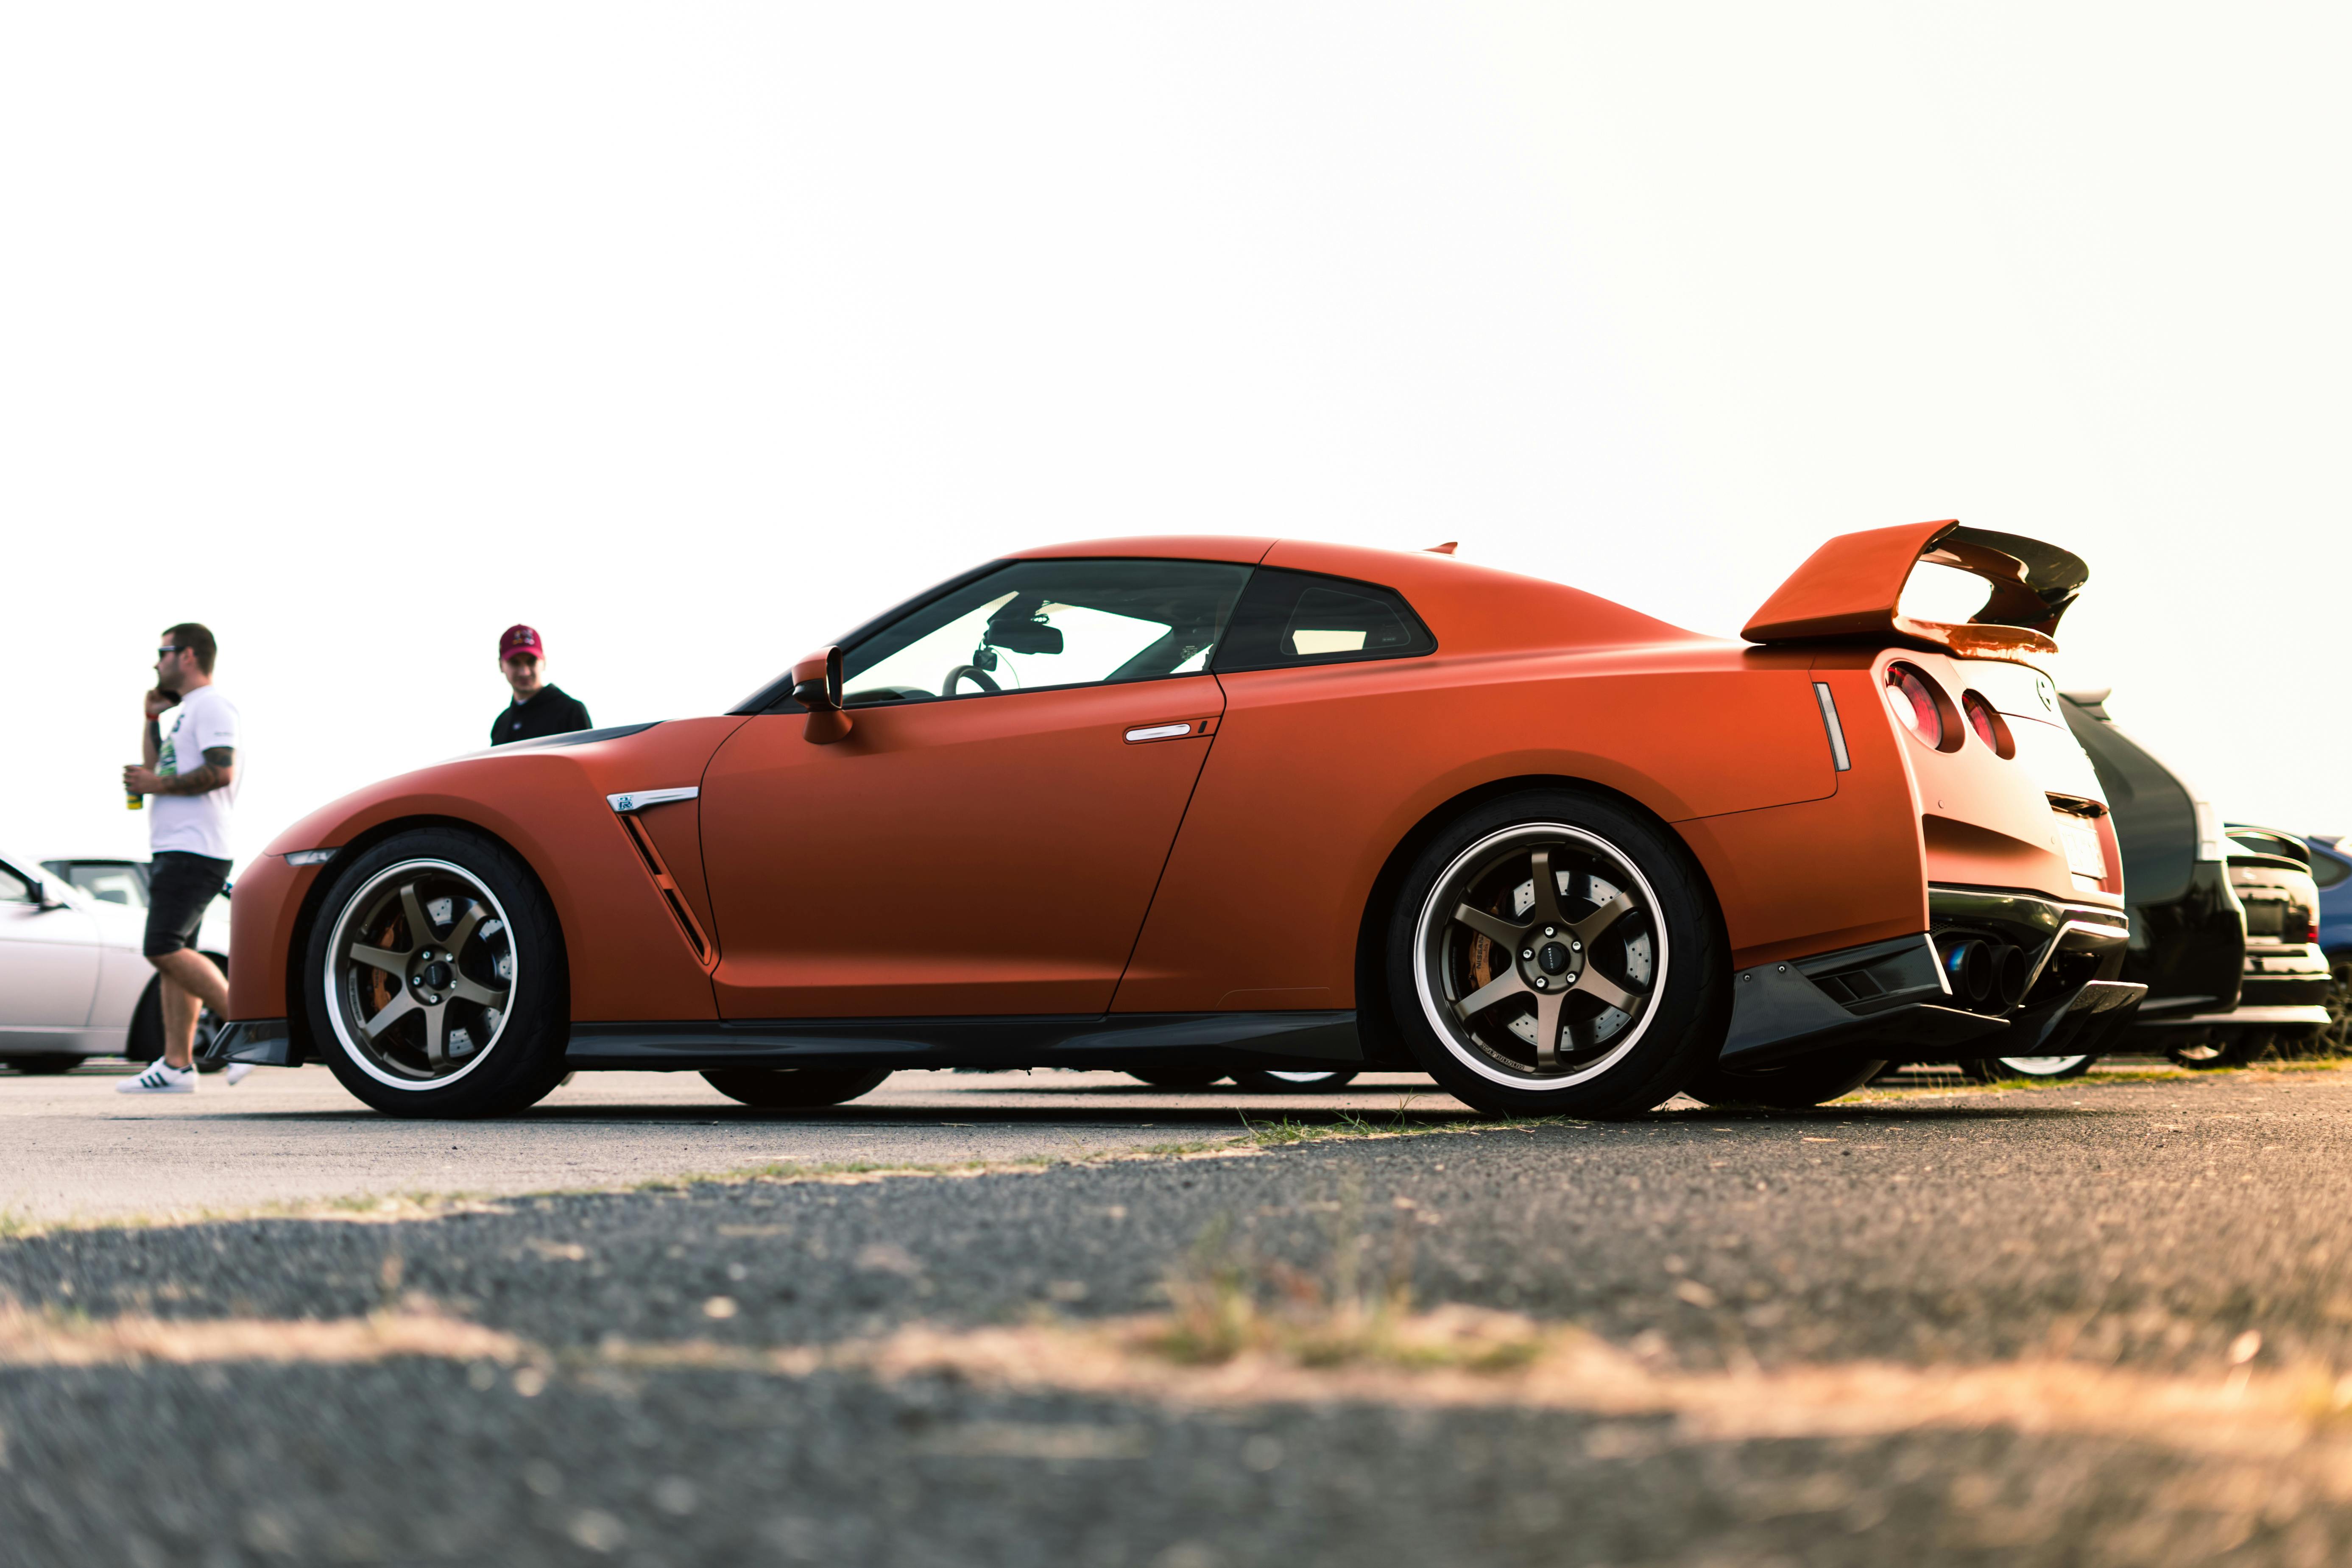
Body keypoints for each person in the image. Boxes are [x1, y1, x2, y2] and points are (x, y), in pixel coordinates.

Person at [118, 623, 250, 1092]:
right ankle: (177, 1065)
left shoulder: (213, 705)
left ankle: (250, 1030)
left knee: (162, 947)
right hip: (176, 846)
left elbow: (220, 770)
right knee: (177, 956)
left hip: (197, 847)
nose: (157, 662)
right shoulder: (184, 711)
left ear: (189, 655)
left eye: (163, 652)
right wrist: (152, 719)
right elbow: (155, 769)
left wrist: (155, 785)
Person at [490, 624, 592, 745]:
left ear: (544, 662)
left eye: (531, 661)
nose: (525, 672)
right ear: (501, 665)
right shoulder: (501, 724)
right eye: (515, 663)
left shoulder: (570, 711)